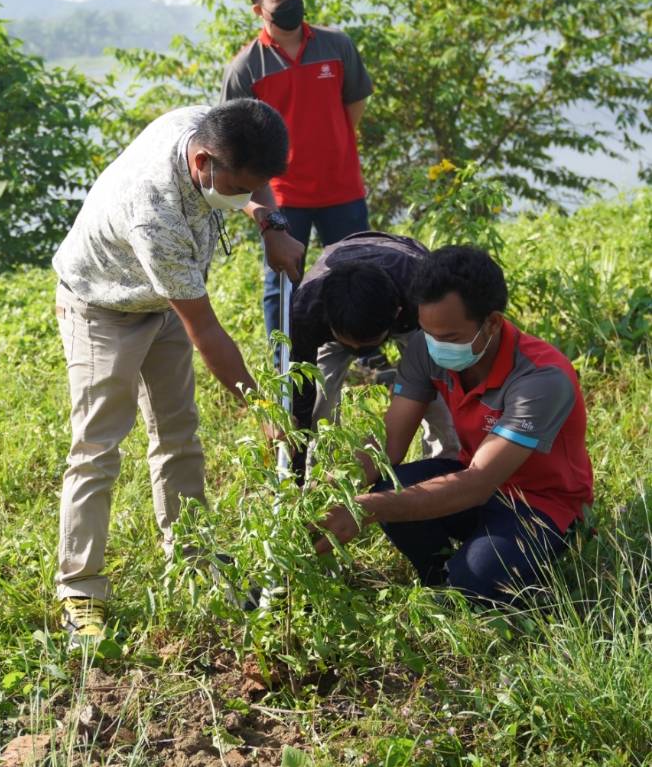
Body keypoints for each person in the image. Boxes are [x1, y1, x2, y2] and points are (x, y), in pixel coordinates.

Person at [52, 98, 305, 645]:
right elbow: (207, 332)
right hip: (102, 306)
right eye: (237, 188)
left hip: (160, 301)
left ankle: (194, 562)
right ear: (204, 163)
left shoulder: (215, 126)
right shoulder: (154, 210)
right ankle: (81, 590)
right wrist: (262, 408)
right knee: (97, 449)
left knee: (179, 438)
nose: (242, 195)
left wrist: (269, 219)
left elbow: (256, 178)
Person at [314, 245, 593, 607]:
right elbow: (389, 446)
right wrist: (326, 490)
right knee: (390, 485)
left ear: (492, 323)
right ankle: (442, 580)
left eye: (449, 338)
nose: (435, 347)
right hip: (474, 481)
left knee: (471, 579)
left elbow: (476, 484)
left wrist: (367, 507)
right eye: (428, 333)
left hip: (542, 503)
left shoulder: (541, 379)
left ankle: (475, 582)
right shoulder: (425, 348)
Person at [220, 0, 373, 336]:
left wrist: (332, 142)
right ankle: (284, 367)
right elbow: (233, 138)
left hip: (342, 188)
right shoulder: (245, 68)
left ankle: (368, 352)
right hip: (283, 197)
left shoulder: (336, 45)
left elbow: (354, 102)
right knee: (283, 283)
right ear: (259, 10)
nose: (292, 2)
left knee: (358, 274)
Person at [289, 231, 458, 461]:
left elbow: (451, 368)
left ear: (396, 314)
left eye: (366, 345)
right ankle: (318, 471)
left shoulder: (423, 291)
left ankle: (446, 463)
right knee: (319, 398)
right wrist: (296, 463)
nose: (357, 350)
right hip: (340, 294)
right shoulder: (306, 311)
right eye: (351, 344)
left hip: (408, 291)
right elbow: (300, 390)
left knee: (437, 391)